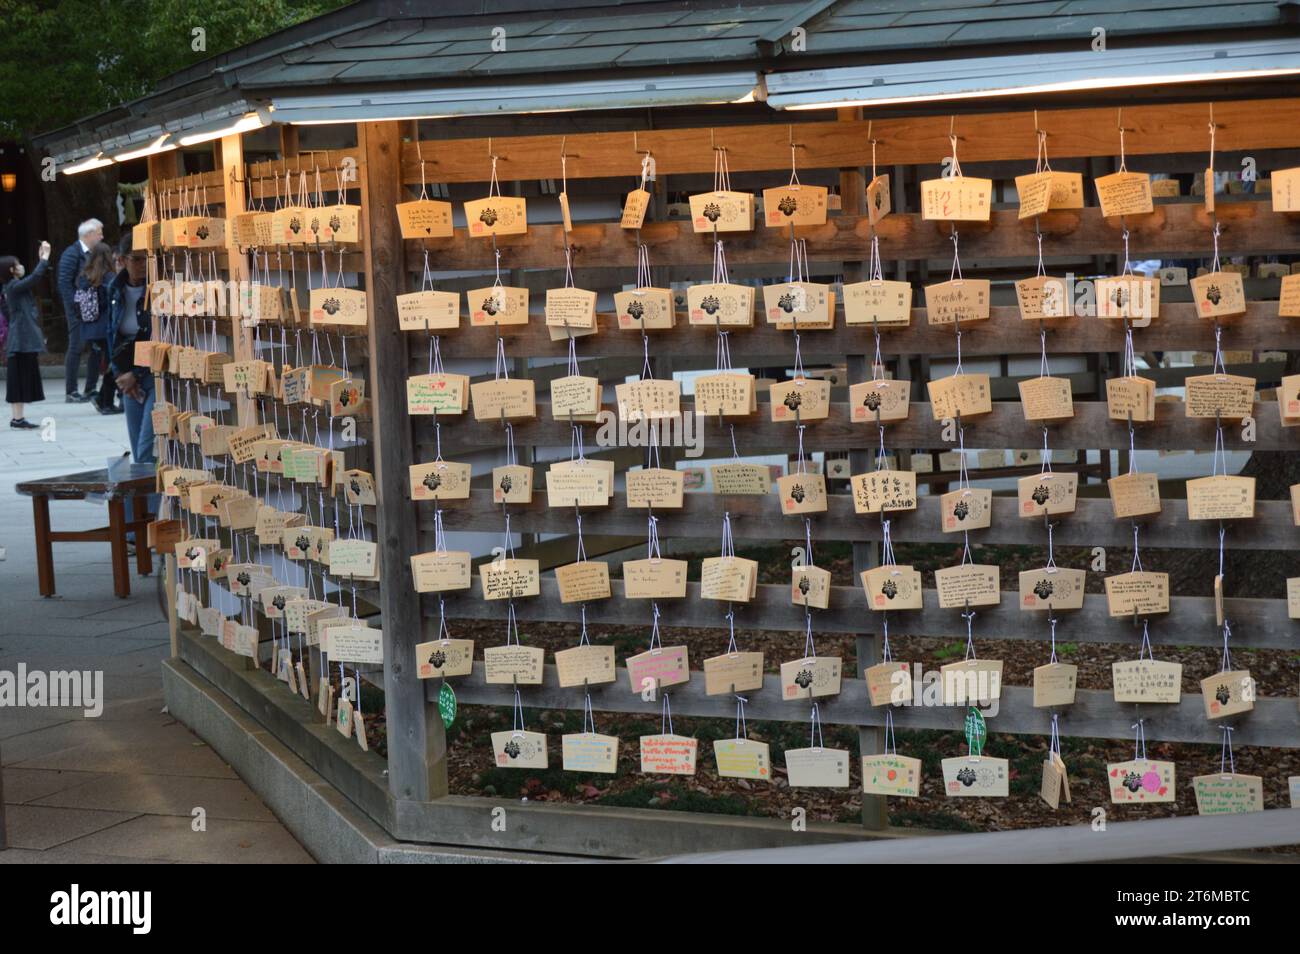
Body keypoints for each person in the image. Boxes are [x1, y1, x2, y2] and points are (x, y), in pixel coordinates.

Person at [107, 234, 155, 462]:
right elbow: (110, 334)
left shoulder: (156, 290)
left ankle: (153, 499)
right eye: (137, 259)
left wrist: (135, 374)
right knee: (137, 450)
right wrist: (120, 374)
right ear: (123, 260)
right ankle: (143, 499)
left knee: (147, 448)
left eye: (147, 259)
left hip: (152, 373)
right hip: (126, 375)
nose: (143, 265)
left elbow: (156, 336)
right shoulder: (114, 289)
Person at [3, 241, 53, 429]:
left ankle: (18, 417)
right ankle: (17, 418)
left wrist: (42, 259)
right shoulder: (13, 287)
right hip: (20, 340)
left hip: (21, 339)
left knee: (19, 379)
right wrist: (45, 258)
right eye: (17, 264)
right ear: (11, 270)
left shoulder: (12, 287)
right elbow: (34, 278)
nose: (21, 266)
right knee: (17, 379)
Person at [57, 218, 103, 403]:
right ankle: (71, 391)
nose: (102, 236)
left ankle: (91, 388)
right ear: (88, 234)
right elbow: (64, 282)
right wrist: (74, 306)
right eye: (99, 232)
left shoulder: (95, 253)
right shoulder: (72, 253)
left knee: (96, 347)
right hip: (77, 308)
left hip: (93, 307)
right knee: (76, 346)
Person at [76, 240, 121, 414]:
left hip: (89, 327)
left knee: (109, 362)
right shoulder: (108, 277)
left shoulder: (83, 276)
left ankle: (103, 398)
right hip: (105, 327)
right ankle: (105, 401)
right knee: (114, 363)